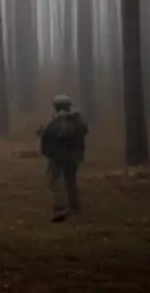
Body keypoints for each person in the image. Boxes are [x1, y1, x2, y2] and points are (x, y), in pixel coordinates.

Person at [37, 94, 89, 222]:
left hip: (57, 157)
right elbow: (84, 132)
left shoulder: (53, 122)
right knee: (71, 180)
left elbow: (44, 137)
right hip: (74, 156)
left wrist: (47, 153)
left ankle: (61, 207)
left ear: (56, 107)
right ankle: (74, 205)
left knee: (55, 181)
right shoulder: (76, 120)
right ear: (69, 106)